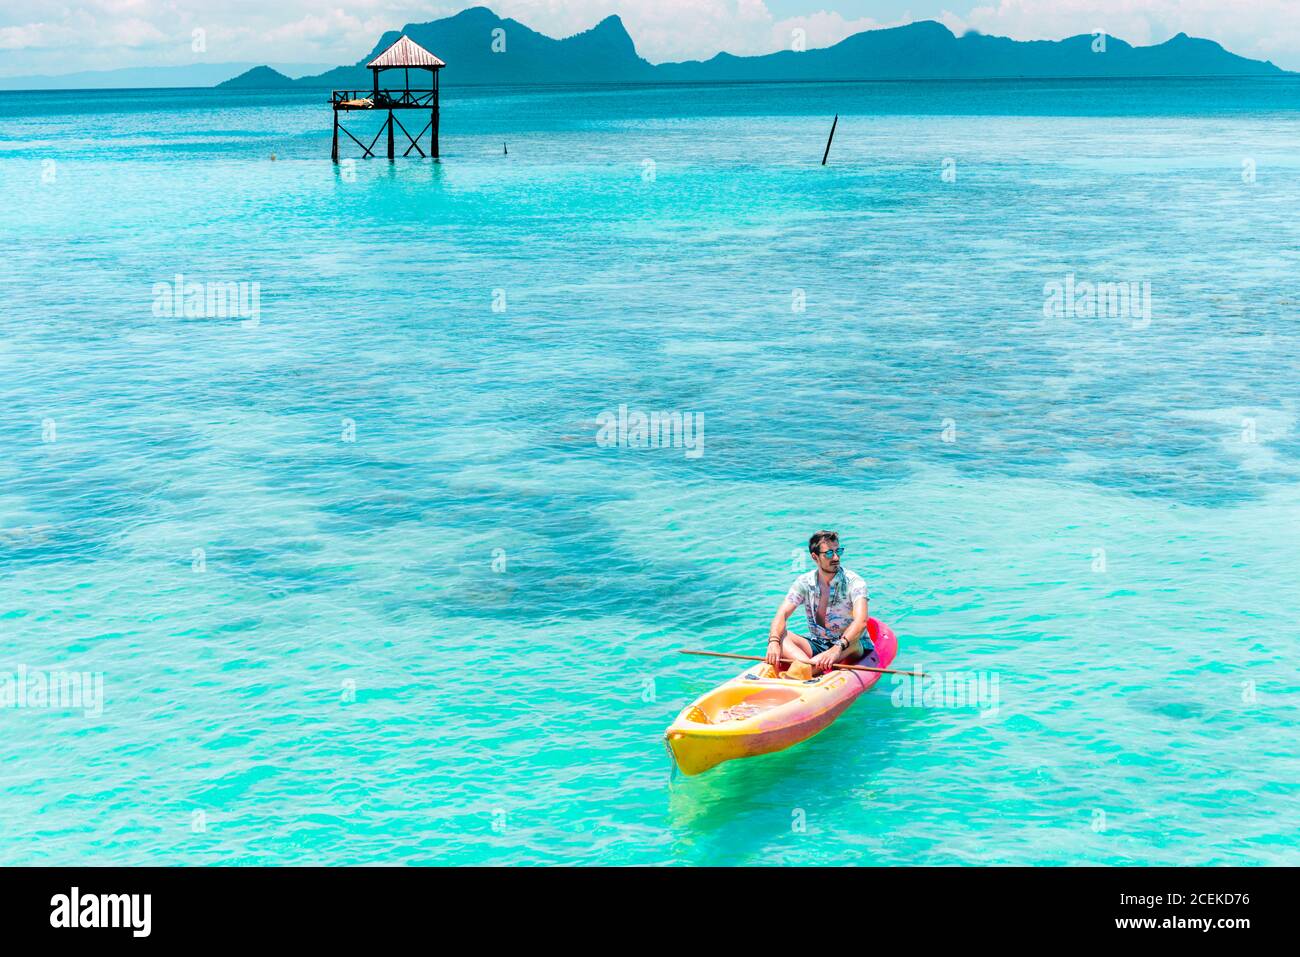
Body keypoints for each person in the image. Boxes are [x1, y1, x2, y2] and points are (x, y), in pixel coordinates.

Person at [765, 530, 872, 675]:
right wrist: (773, 642)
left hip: (849, 646)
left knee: (853, 643)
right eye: (829, 553)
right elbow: (782, 614)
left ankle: (804, 670)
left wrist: (837, 648)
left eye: (838, 551)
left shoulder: (855, 583)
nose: (835, 557)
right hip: (819, 644)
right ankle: (807, 668)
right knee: (781, 634)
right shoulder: (804, 582)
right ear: (815, 557)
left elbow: (861, 621)